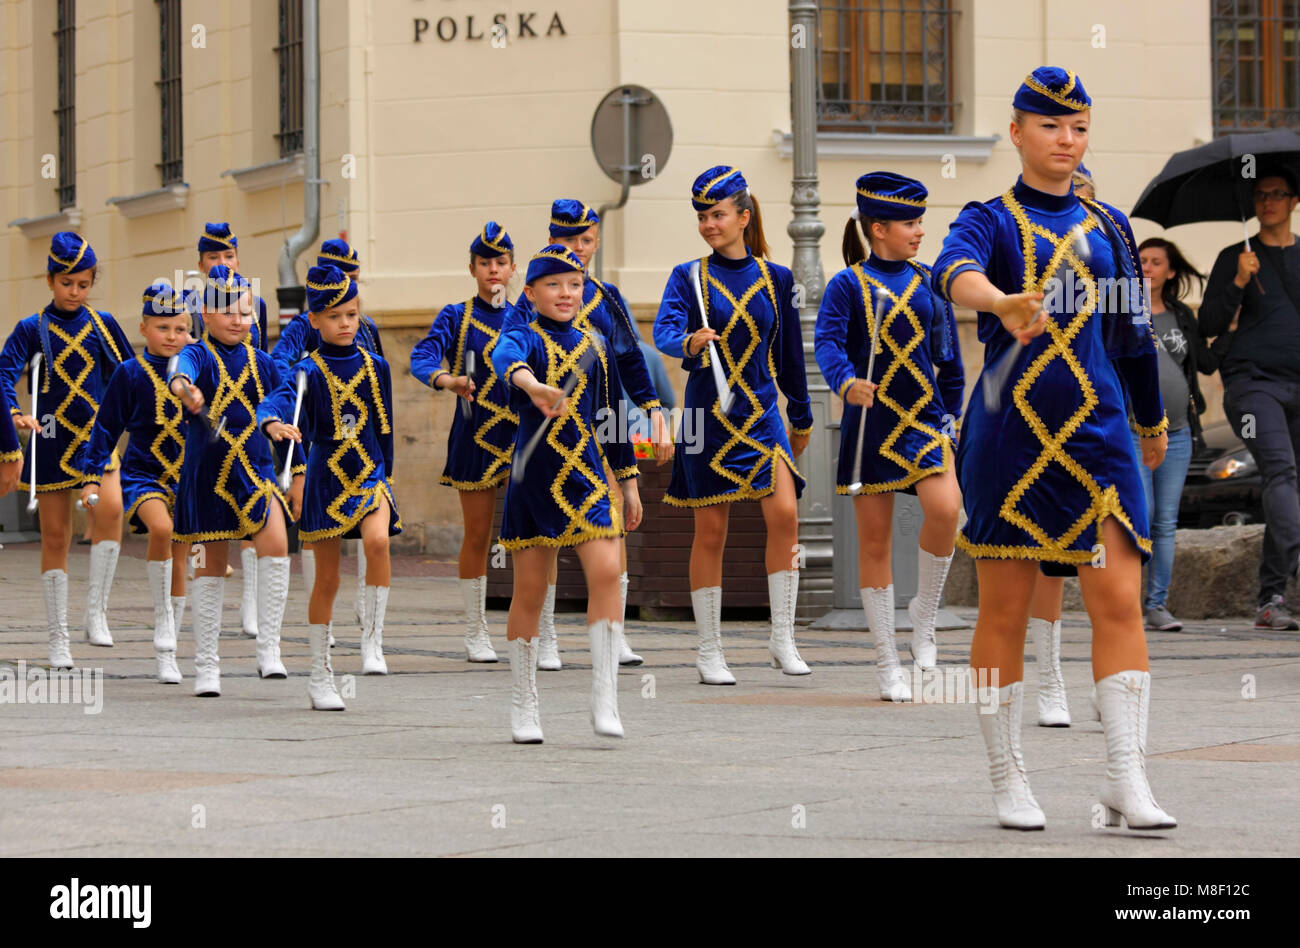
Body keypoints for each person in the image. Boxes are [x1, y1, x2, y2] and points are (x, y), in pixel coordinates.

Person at [932, 67, 1176, 831]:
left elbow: (1134, 335)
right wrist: (1001, 300)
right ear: (1016, 132)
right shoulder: (989, 218)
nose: (1065, 141)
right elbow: (951, 273)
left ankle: (1125, 779)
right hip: (1010, 435)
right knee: (1003, 606)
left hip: (1101, 432)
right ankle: (1007, 777)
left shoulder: (1110, 228)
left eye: (1077, 128)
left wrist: (1150, 419)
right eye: (1049, 127)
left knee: (1119, 599)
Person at [653, 166, 814, 684]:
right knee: (711, 530)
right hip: (707, 416)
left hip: (762, 413)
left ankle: (782, 638)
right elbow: (663, 330)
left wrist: (802, 413)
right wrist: (690, 343)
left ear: (743, 216)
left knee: (785, 514)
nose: (708, 224)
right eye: (702, 216)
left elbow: (789, 355)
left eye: (717, 214)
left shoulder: (777, 278)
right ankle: (709, 649)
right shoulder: (688, 277)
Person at [814, 171, 964, 702]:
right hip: (870, 424)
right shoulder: (847, 285)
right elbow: (828, 343)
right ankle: (886, 664)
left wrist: (954, 412)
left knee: (946, 510)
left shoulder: (930, 282)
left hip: (925, 419)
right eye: (909, 222)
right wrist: (846, 382)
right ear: (878, 229)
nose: (920, 230)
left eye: (921, 220)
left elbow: (949, 356)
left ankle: (924, 613)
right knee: (873, 543)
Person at [510, 200, 674, 669]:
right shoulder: (532, 297)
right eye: (567, 241)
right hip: (543, 427)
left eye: (586, 240)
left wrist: (653, 411)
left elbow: (630, 358)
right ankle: (544, 635)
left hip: (600, 422)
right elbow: (507, 351)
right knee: (547, 531)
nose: (578, 249)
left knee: (610, 521)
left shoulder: (605, 296)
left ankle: (613, 630)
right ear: (550, 239)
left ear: (596, 240)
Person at [490, 245, 643, 742]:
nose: (565, 293)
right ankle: (523, 702)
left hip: (587, 478)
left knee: (607, 571)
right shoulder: (524, 336)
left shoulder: (596, 346)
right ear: (531, 293)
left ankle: (605, 698)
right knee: (531, 591)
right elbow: (504, 357)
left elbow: (613, 419)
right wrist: (533, 386)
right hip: (534, 477)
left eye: (574, 285)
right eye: (553, 285)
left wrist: (630, 483)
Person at [261, 265, 400, 708]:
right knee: (327, 579)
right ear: (314, 320)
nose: (345, 323)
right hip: (325, 479)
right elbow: (283, 398)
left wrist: (389, 476)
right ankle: (320, 673)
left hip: (370, 472)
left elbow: (386, 427)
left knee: (378, 542)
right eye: (335, 315)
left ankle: (372, 641)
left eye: (352, 314)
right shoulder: (307, 369)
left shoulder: (376, 366)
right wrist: (273, 422)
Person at [0, 232, 134, 668]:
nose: (75, 292)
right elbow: (4, 373)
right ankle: (58, 637)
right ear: (50, 279)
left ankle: (96, 610)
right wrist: (16, 412)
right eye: (66, 283)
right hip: (52, 438)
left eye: (83, 284)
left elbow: (128, 372)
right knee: (57, 535)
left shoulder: (102, 324)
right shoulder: (31, 328)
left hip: (97, 438)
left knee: (111, 508)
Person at [168, 266, 293, 696]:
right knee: (209, 567)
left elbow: (283, 395)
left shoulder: (264, 362)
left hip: (254, 472)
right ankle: (206, 666)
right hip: (206, 478)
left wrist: (274, 421)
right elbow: (179, 370)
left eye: (244, 312)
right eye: (226, 313)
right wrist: (185, 388)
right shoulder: (200, 354)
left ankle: (269, 649)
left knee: (276, 542)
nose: (237, 320)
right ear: (205, 312)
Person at [411, 222, 518, 663]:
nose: (493, 269)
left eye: (501, 262)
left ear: (513, 268)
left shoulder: (528, 314)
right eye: (485, 263)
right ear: (472, 268)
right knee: (477, 535)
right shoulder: (456, 316)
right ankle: (476, 630)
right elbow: (422, 356)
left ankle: (540, 630)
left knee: (536, 536)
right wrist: (447, 380)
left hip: (524, 436)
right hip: (475, 436)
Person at [1198, 169, 1300, 631]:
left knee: (1292, 484)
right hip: (1252, 384)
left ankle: (1274, 593)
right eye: (1261, 195)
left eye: (1278, 194)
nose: (1269, 201)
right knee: (1280, 470)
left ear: (1294, 201)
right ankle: (1277, 591)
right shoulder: (1234, 257)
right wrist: (1238, 282)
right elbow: (1209, 323)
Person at [272, 238, 385, 647]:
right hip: (314, 436)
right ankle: (323, 613)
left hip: (364, 451)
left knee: (375, 538)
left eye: (352, 279)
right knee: (319, 534)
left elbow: (379, 396)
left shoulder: (366, 328)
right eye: (339, 277)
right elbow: (281, 368)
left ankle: (366, 609)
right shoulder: (304, 327)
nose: (346, 284)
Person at [82, 283, 192, 683]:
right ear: (144, 328)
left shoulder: (198, 367)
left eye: (180, 329)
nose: (172, 336)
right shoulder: (130, 373)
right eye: (163, 328)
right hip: (143, 473)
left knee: (182, 555)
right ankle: (163, 635)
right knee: (160, 529)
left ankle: (172, 647)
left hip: (188, 476)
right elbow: (106, 427)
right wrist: (92, 476)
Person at [183, 222, 272, 642]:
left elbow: (265, 360)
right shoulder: (189, 307)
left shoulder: (255, 305)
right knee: (206, 538)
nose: (222, 263)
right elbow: (181, 358)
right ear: (200, 264)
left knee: (262, 527)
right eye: (214, 258)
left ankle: (254, 608)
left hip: (249, 421)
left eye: (228, 256)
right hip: (202, 416)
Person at [1134, 238, 1213, 632]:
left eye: (1155, 262)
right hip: (1132, 433)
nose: (1147, 267)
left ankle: (1156, 605)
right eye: (1141, 261)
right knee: (1140, 514)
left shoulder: (1182, 315)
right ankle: (1125, 602)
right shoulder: (1121, 310)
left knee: (1166, 520)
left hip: (1177, 434)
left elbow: (1204, 363)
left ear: (1169, 272)